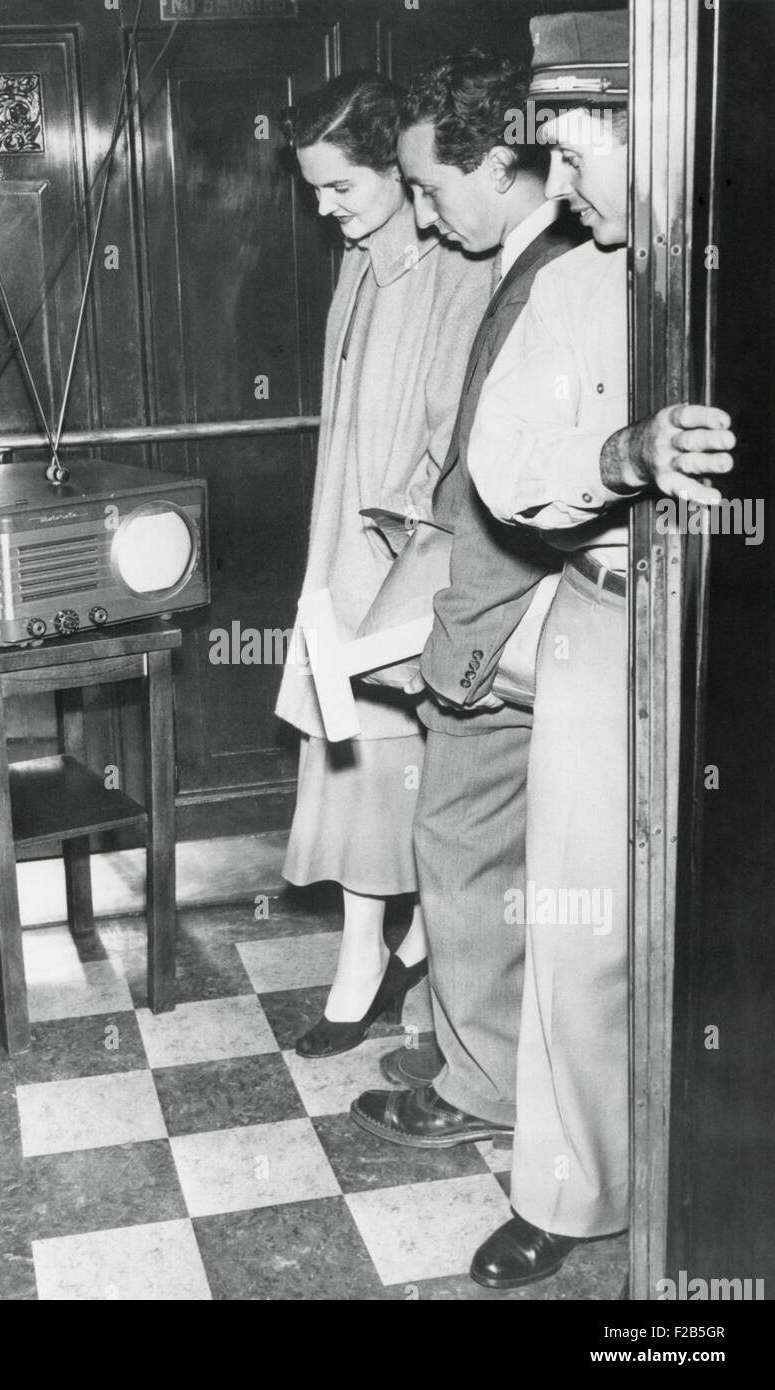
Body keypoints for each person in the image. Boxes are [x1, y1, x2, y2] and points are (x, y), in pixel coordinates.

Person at [461, 12, 733, 1288]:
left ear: (664, 135)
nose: (558, 187)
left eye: (576, 155)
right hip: (599, 621)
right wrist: (618, 459)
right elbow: (504, 474)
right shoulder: (570, 290)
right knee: (580, 925)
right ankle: (570, 1190)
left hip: (731, 643)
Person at [347, 53, 581, 1145]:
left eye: (434, 190)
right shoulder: (536, 258)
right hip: (507, 615)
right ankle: (468, 1041)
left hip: (507, 627)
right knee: (484, 853)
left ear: (498, 162)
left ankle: (479, 1086)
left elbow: (527, 500)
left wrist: (454, 641)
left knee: (459, 844)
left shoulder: (553, 271)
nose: (429, 220)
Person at [274, 72, 493, 1058]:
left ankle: (367, 962)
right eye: (313, 190)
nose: (324, 210)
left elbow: (455, 448)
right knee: (346, 750)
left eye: (341, 190)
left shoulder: (456, 269)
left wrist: (398, 552)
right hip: (342, 547)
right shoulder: (358, 264)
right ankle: (390, 941)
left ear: (401, 176)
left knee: (384, 759)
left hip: (408, 557)